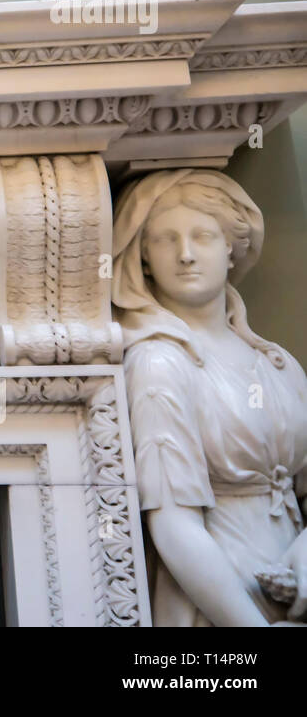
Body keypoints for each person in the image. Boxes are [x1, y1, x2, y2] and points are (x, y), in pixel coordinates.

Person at [112, 170, 307, 626]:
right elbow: (174, 527)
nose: (184, 254)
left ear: (230, 246)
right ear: (143, 258)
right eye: (164, 240)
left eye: (201, 235)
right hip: (220, 605)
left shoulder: (278, 363)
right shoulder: (159, 362)